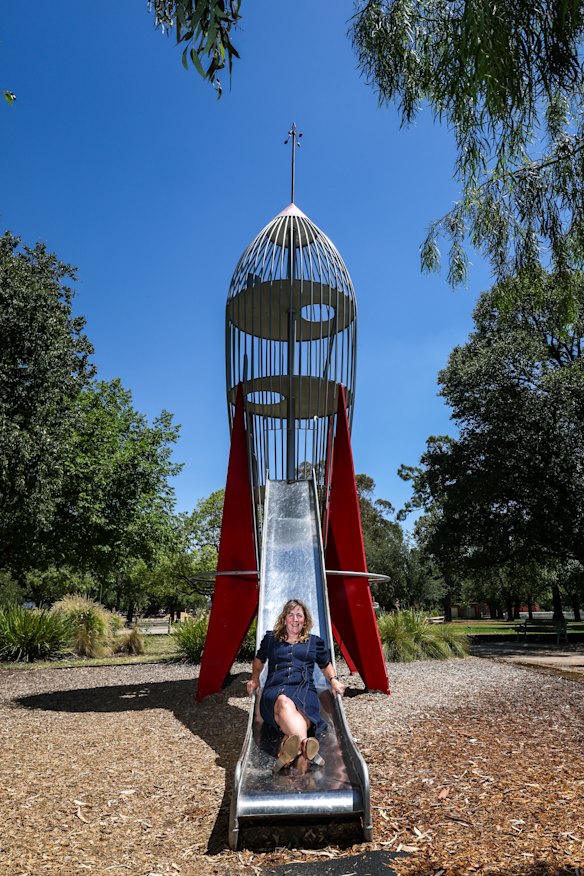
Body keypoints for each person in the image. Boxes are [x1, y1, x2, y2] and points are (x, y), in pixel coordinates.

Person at [246, 598, 345, 772]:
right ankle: (307, 747)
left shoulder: (314, 642)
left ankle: (290, 747)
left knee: (301, 715)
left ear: (305, 620)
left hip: (304, 689)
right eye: (290, 615)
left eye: (299, 615)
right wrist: (254, 678)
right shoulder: (271, 639)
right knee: (284, 703)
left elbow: (325, 665)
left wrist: (334, 680)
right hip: (276, 690)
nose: (295, 619)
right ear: (284, 619)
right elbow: (259, 660)